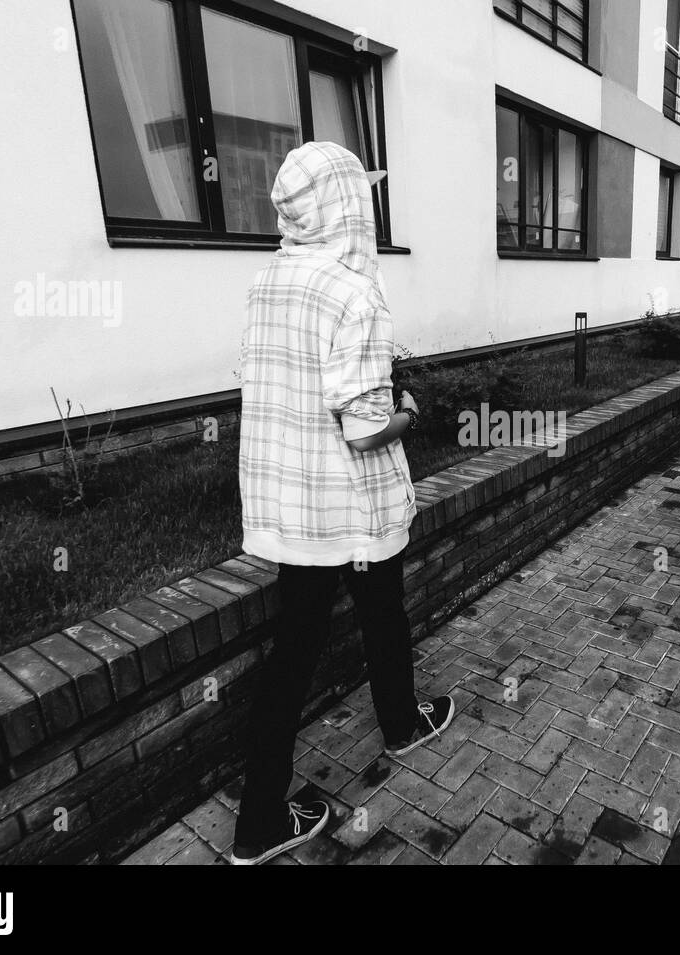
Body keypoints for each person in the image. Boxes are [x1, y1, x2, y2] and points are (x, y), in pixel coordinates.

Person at [230, 141, 453, 865]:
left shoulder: (270, 280)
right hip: (348, 504)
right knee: (380, 606)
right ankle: (397, 725)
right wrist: (409, 413)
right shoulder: (354, 290)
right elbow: (363, 430)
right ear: (348, 204)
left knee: (295, 649)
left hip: (295, 506)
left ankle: (263, 812)